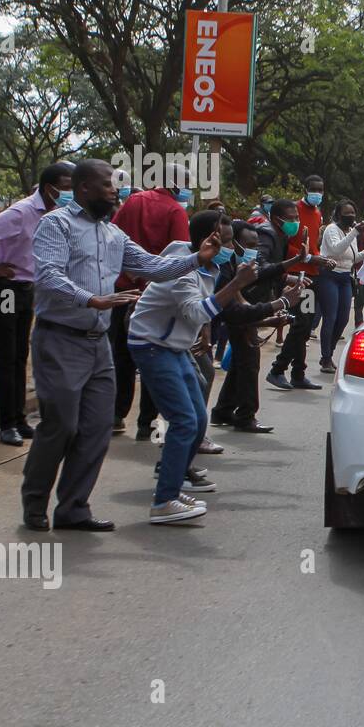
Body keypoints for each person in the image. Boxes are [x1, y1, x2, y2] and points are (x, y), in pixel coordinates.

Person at [23, 159, 221, 533]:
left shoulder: (112, 234)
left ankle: (73, 508)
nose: (115, 191)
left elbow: (153, 266)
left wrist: (198, 258)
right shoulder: (57, 224)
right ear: (83, 188)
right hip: (60, 338)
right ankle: (35, 503)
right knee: (61, 425)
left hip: (99, 344)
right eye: (107, 185)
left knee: (97, 429)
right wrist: (89, 299)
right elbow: (48, 275)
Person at [127, 209, 263, 522]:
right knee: (184, 420)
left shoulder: (208, 264)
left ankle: (175, 483)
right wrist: (236, 285)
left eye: (230, 241)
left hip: (175, 347)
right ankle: (164, 500)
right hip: (152, 347)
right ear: (204, 240)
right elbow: (196, 312)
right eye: (224, 241)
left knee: (198, 421)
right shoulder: (183, 270)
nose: (231, 249)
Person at [0, 163, 72, 445]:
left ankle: (20, 418)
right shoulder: (22, 211)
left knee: (20, 353)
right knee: (6, 355)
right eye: (67, 186)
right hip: (7, 291)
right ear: (50, 188)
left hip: (27, 289)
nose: (71, 192)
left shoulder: (55, 214)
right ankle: (6, 424)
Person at [110, 164, 194, 439]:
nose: (188, 190)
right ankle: (146, 421)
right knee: (153, 355)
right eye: (186, 183)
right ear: (175, 183)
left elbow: (113, 236)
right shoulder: (175, 211)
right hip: (154, 296)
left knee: (121, 356)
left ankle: (116, 414)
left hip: (122, 289)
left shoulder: (133, 200)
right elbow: (180, 258)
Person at [212, 221, 310, 431]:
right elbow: (235, 312)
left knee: (242, 361)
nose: (253, 251)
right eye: (247, 245)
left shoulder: (232, 264)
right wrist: (279, 305)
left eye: (255, 246)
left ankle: (223, 410)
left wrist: (294, 261)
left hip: (238, 317)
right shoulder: (222, 267)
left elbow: (264, 274)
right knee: (248, 361)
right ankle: (245, 415)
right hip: (203, 328)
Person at [268, 180, 331, 390]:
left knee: (305, 324)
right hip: (295, 274)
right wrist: (312, 258)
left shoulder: (317, 213)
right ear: (306, 190)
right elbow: (290, 248)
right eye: (314, 190)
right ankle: (278, 369)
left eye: (321, 190)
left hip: (311, 274)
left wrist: (320, 258)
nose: (317, 193)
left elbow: (312, 245)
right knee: (300, 324)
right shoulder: (293, 211)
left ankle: (298, 372)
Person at [316, 199, 364, 373]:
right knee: (330, 318)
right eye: (347, 214)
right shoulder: (331, 229)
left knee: (343, 319)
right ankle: (326, 358)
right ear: (338, 215)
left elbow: (350, 258)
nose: (351, 217)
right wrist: (354, 232)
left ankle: (329, 353)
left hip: (345, 277)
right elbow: (335, 251)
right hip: (329, 276)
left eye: (353, 214)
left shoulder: (350, 232)